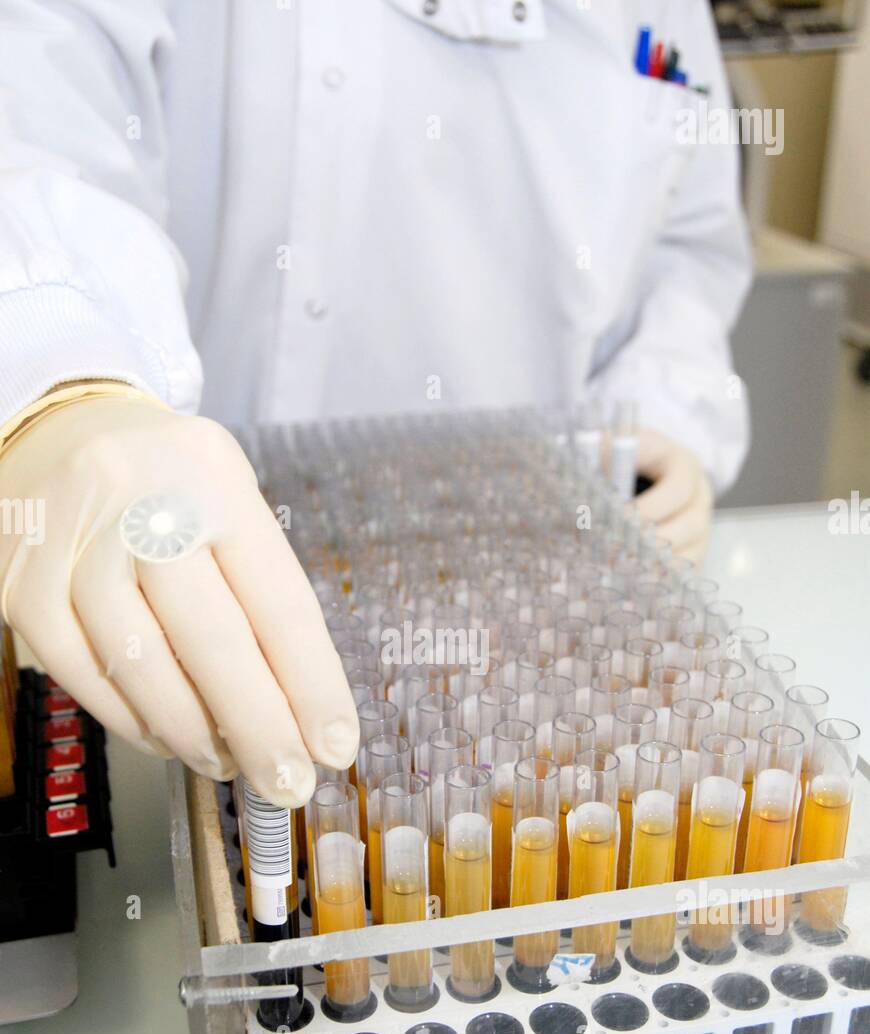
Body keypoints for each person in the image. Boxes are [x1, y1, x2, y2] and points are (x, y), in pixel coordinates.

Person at [0, 0, 750, 808]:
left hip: (541, 578)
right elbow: (38, 90)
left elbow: (690, 248)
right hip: (207, 572)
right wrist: (62, 372)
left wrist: (663, 414)